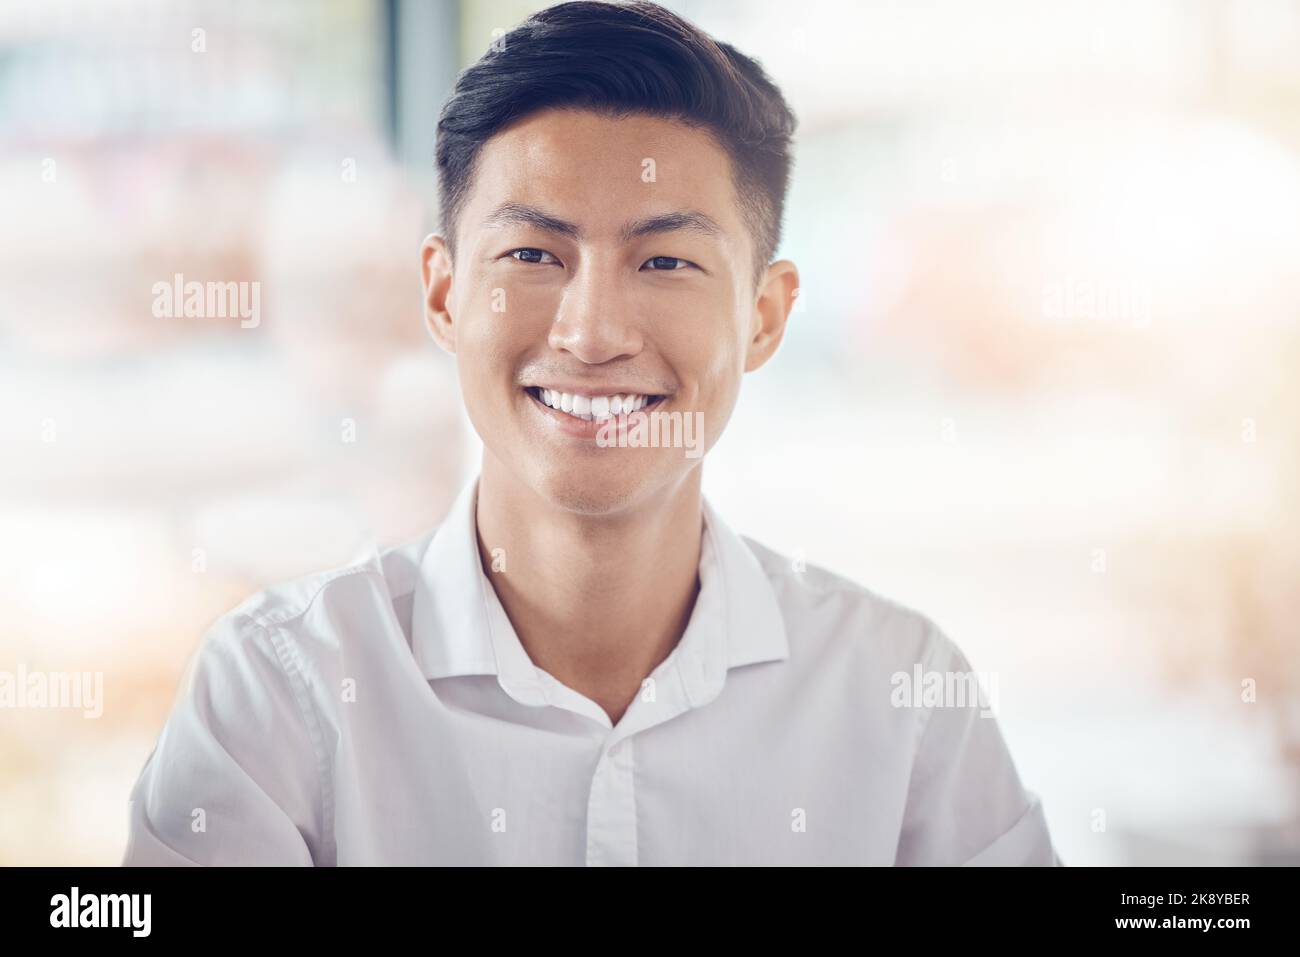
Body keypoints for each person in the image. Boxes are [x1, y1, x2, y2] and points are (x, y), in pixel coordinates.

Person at [123, 0, 1060, 866]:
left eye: (665, 259)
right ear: (445, 293)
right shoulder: (276, 698)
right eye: (533, 254)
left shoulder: (902, 698)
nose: (592, 331)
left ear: (765, 317)